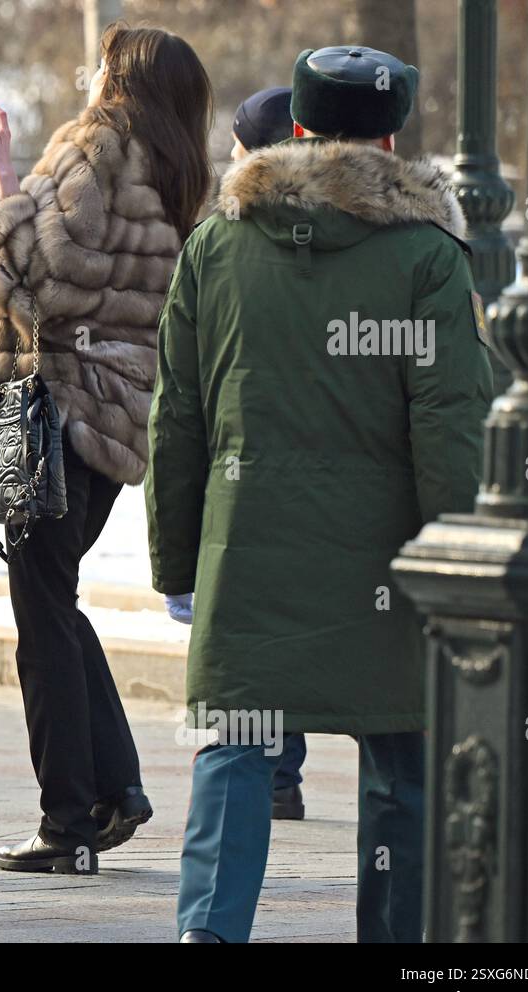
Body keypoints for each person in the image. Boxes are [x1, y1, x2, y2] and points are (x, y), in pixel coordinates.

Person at [146, 46, 494, 942]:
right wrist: (459, 573)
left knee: (234, 756)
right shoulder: (426, 256)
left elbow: (177, 417)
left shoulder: (215, 247)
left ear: (296, 126)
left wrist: (178, 562)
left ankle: (207, 933)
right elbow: (449, 427)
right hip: (390, 563)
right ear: (391, 135)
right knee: (404, 765)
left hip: (247, 553)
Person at [0, 23, 213, 873]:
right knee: (54, 597)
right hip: (119, 421)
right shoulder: (180, 172)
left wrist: (3, 177)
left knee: (40, 613)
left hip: (58, 410)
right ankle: (112, 790)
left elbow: (31, 281)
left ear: (117, 78)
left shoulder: (93, 147)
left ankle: (67, 824)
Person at [228, 85, 308, 822]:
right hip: (320, 458)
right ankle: (283, 770)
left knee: (261, 620)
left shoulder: (227, 242)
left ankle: (273, 772)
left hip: (255, 460)